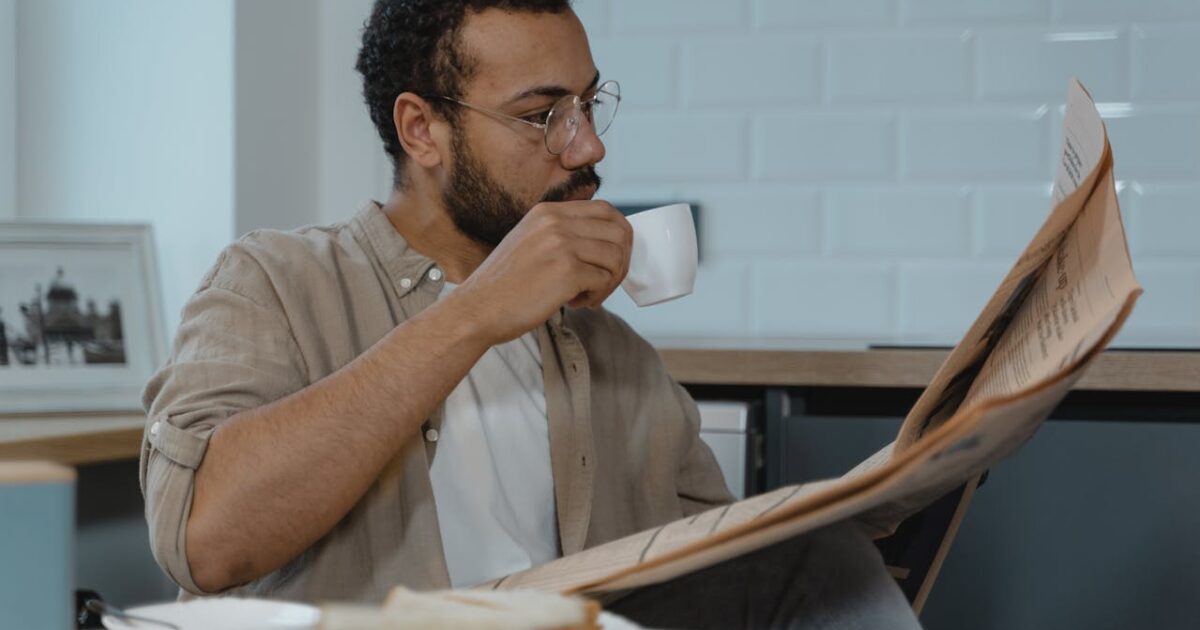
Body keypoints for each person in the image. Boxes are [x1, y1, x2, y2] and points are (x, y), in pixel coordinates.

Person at [139, 1, 922, 627]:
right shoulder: (274, 282)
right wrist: (476, 311)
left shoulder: (614, 354)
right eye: (542, 114)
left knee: (826, 567)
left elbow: (725, 576)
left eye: (587, 104)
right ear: (422, 130)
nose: (586, 148)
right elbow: (204, 543)